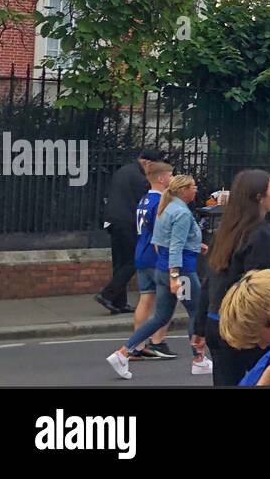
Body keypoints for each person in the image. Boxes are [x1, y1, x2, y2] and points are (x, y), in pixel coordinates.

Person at [107, 174, 209, 379]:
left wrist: (195, 247)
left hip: (161, 270)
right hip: (183, 274)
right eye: (193, 187)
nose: (195, 190)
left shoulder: (166, 209)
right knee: (197, 314)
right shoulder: (181, 213)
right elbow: (176, 246)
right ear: (182, 190)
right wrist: (175, 276)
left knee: (161, 316)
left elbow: (159, 241)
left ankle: (123, 353)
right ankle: (199, 359)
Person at [200, 169, 270, 385]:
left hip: (216, 322)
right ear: (258, 197)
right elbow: (258, 286)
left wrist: (199, 325)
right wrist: (266, 330)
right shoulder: (260, 233)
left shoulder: (225, 230)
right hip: (243, 327)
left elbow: (209, 279)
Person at [95, 148, 162, 315]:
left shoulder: (124, 170)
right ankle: (107, 295)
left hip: (112, 221)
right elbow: (145, 202)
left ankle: (119, 302)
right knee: (132, 261)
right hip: (127, 222)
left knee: (120, 262)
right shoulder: (140, 178)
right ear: (146, 163)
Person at [126, 160, 173, 360]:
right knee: (166, 302)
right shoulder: (161, 202)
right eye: (171, 175)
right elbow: (161, 234)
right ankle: (157, 342)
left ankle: (137, 344)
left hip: (141, 253)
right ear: (161, 178)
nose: (172, 179)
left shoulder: (144, 200)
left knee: (145, 299)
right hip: (156, 257)